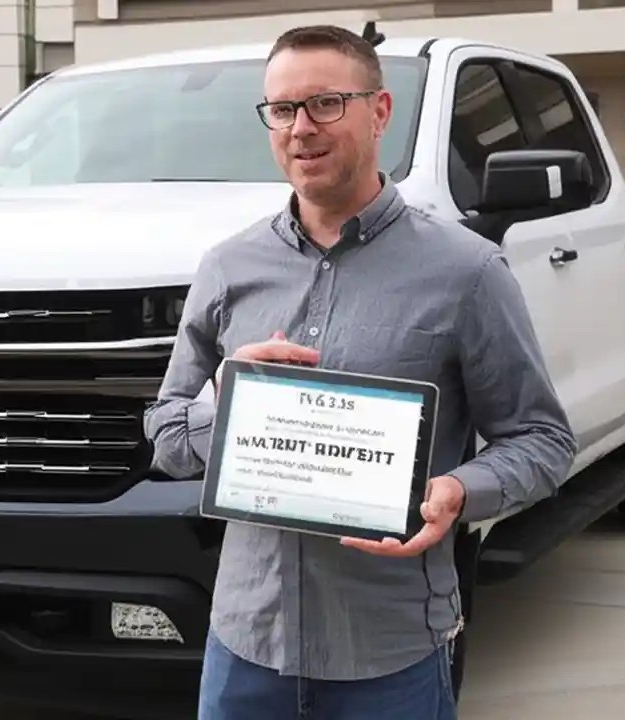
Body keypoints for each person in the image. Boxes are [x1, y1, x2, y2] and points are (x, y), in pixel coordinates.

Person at [143, 24, 578, 719]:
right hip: (246, 645)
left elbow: (543, 440)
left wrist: (460, 491)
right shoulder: (228, 268)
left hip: (390, 653)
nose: (300, 128)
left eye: (325, 104)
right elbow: (165, 436)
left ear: (379, 112)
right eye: (282, 109)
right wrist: (226, 396)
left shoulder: (466, 273)